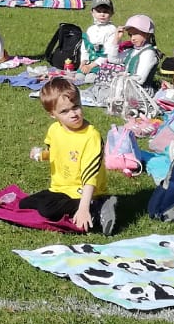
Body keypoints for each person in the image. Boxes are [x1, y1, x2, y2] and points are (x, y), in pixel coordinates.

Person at [22, 76, 116, 233]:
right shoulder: (54, 130)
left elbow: (90, 177)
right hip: (61, 188)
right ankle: (85, 207)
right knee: (25, 203)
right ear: (53, 114)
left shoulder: (90, 136)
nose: (73, 114)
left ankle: (97, 208)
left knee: (47, 210)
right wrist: (42, 155)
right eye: (64, 111)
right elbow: (56, 152)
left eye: (76, 107)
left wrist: (83, 208)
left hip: (85, 192)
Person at [120, 14, 162, 88]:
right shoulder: (132, 50)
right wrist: (115, 41)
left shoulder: (148, 53)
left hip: (140, 92)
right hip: (126, 86)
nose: (132, 38)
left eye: (136, 34)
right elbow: (113, 59)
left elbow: (140, 79)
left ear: (148, 34)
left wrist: (121, 77)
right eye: (130, 35)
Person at [80, 0, 120, 67]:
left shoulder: (112, 30)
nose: (102, 14)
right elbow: (85, 48)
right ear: (92, 13)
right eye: (98, 11)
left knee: (91, 77)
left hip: (103, 63)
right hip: (89, 60)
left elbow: (109, 52)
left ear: (111, 13)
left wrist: (93, 65)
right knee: (79, 76)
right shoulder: (90, 29)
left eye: (106, 12)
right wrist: (83, 61)